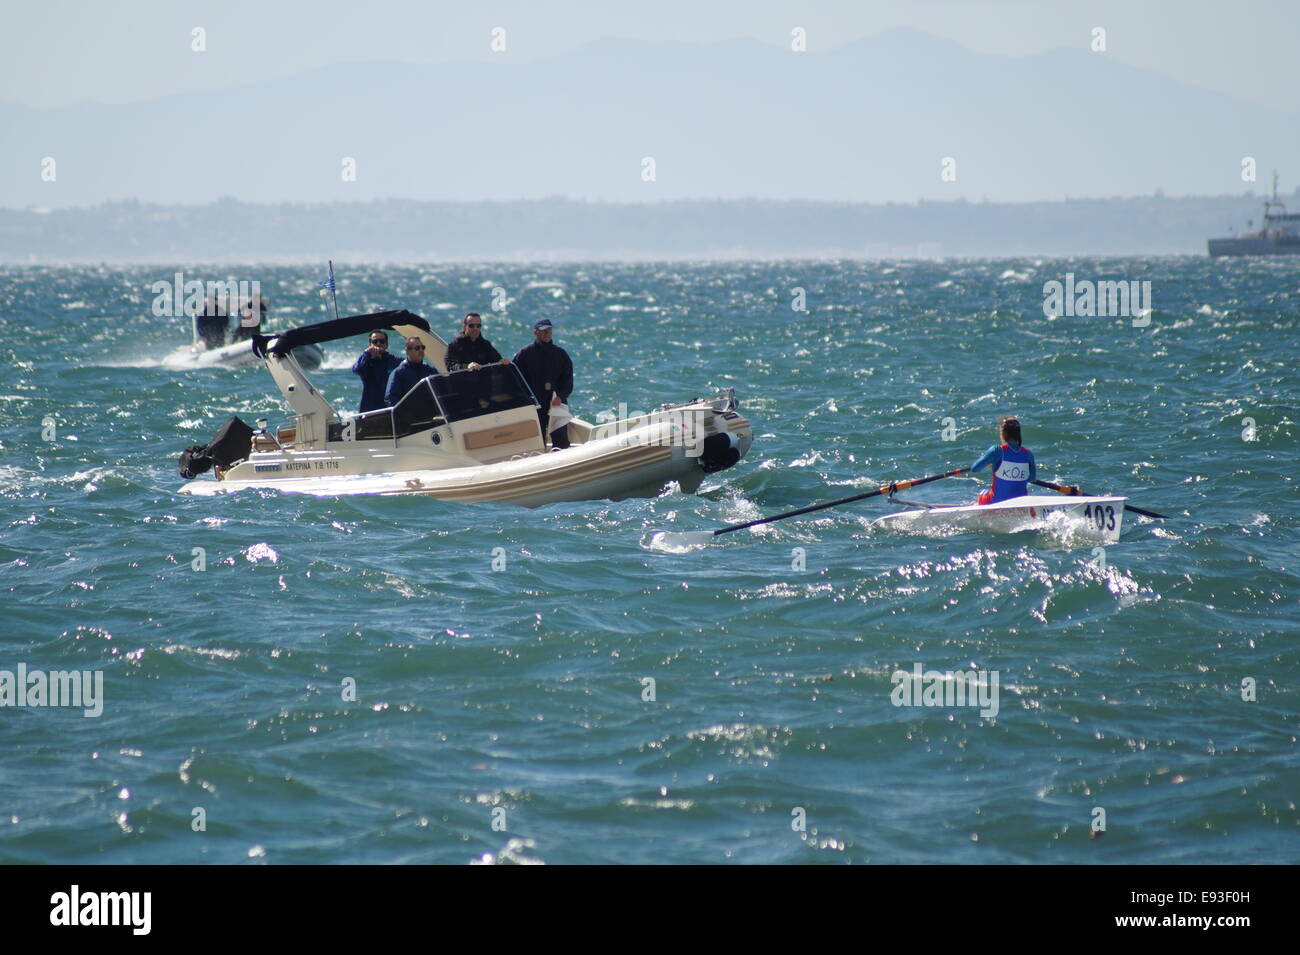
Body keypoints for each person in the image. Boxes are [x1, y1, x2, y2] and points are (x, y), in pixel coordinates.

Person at [513, 318, 573, 449]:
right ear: (536, 332)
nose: (547, 333)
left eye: (549, 330)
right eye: (543, 331)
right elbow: (515, 379)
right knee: (536, 441)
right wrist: (526, 400)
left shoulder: (560, 354)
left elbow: (567, 380)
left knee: (561, 441)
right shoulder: (524, 354)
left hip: (556, 403)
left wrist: (560, 397)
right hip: (535, 405)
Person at [970, 416, 1036, 505]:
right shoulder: (1028, 454)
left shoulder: (996, 450)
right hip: (1020, 503)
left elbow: (975, 469)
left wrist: (992, 464)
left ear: (1002, 433)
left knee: (983, 493)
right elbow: (1031, 479)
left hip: (996, 502)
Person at [352, 329, 402, 413]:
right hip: (370, 409)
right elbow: (356, 369)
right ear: (370, 344)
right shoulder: (366, 362)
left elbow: (408, 364)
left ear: (386, 345)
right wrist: (366, 354)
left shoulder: (393, 361)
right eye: (375, 341)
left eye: (382, 341)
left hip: (389, 409)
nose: (378, 344)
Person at [384, 336, 439, 407]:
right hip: (409, 414)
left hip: (430, 412)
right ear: (408, 351)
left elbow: (441, 389)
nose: (421, 350)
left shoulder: (430, 370)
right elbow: (390, 398)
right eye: (417, 348)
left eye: (422, 347)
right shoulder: (399, 373)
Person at [445, 312, 510, 371]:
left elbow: (496, 359)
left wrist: (502, 361)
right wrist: (467, 366)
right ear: (464, 327)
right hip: (463, 382)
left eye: (478, 326)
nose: (475, 328)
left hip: (483, 382)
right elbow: (450, 365)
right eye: (471, 326)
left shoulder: (485, 344)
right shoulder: (454, 345)